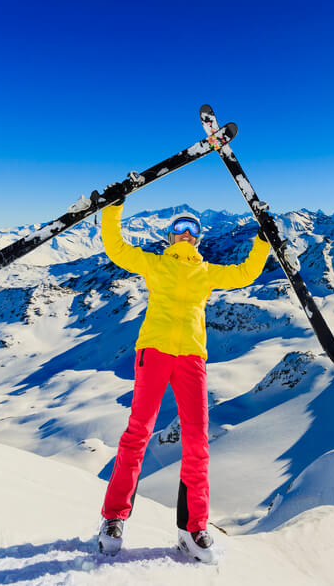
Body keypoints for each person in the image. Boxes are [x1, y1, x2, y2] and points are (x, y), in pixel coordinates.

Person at [96, 199, 271, 563]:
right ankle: (113, 519)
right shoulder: (155, 264)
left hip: (191, 357)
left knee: (197, 441)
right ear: (170, 236)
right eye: (180, 228)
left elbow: (244, 274)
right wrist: (113, 209)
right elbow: (117, 249)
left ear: (199, 238)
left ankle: (193, 529)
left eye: (193, 229)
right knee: (138, 433)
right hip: (155, 352)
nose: (187, 233)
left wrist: (263, 242)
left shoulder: (206, 272)